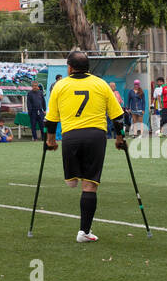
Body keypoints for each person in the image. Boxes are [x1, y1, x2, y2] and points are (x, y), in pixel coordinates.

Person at [42, 50, 127, 243]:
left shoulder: (60, 85)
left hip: (71, 135)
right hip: (96, 136)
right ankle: (84, 232)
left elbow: (51, 118)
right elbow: (117, 116)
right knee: (90, 185)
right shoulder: (101, 84)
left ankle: (72, 178)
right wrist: (120, 138)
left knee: (72, 182)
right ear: (88, 67)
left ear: (69, 68)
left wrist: (50, 140)